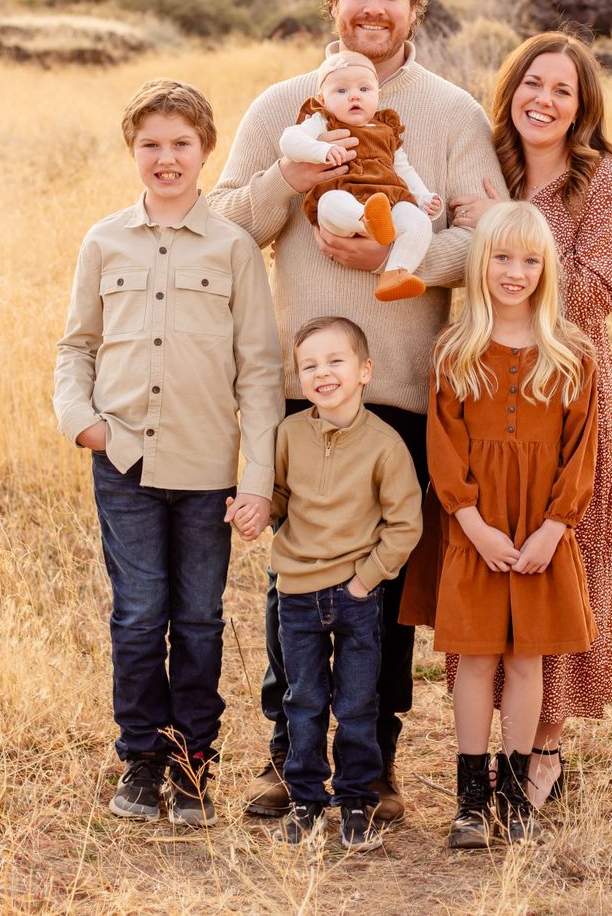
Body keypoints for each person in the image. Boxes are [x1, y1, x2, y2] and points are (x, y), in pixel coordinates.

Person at [208, 0, 505, 822]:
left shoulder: (450, 114)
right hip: (303, 386)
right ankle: (284, 758)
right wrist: (283, 179)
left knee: (385, 584)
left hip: (405, 388)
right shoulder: (282, 107)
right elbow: (225, 224)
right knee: (294, 573)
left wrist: (398, 255)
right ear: (331, 2)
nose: (372, 8)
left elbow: (489, 240)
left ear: (417, 5)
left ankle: (371, 770)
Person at [53, 78, 283, 827]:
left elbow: (259, 372)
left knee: (198, 618)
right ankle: (142, 761)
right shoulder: (104, 240)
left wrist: (256, 481)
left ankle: (193, 765)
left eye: (180, 143)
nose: (166, 157)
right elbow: (76, 344)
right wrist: (80, 420)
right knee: (138, 613)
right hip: (123, 462)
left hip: (208, 468)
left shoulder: (234, 247)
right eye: (150, 144)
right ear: (133, 151)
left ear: (205, 150)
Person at [445, 31, 612, 806]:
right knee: (486, 561)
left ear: (582, 105)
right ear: (511, 91)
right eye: (533, 84)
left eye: (562, 90)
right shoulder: (485, 163)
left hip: (569, 390)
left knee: (567, 560)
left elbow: (591, 296)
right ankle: (482, 756)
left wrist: (513, 227)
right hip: (485, 392)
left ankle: (545, 750)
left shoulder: (606, 182)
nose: (544, 101)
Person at [421, 201, 597, 847]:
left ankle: (516, 797)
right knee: (476, 658)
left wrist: (554, 529)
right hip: (478, 530)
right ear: (480, 263)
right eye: (501, 257)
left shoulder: (571, 354)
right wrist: (473, 525)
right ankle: (470, 799)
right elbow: (445, 447)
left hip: (542, 534)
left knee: (527, 662)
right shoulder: (456, 351)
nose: (514, 272)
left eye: (529, 260)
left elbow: (582, 452)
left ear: (546, 268)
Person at [231, 316, 422, 849]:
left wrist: (366, 581)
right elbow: (283, 500)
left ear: (365, 371)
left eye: (336, 361)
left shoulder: (385, 445)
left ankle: (357, 797)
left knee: (358, 702)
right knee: (305, 700)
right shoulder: (289, 436)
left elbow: (405, 523)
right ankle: (307, 800)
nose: (323, 373)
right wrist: (257, 509)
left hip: (356, 596)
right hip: (295, 593)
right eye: (309, 365)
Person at [279, 50, 443, 301]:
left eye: (364, 90)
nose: (354, 95)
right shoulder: (324, 121)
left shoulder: (386, 129)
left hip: (388, 202)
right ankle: (366, 220)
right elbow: (290, 140)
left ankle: (396, 272)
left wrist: (423, 198)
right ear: (322, 99)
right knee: (330, 203)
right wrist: (322, 150)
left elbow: (404, 169)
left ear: (378, 95)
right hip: (344, 197)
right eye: (341, 91)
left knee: (417, 221)